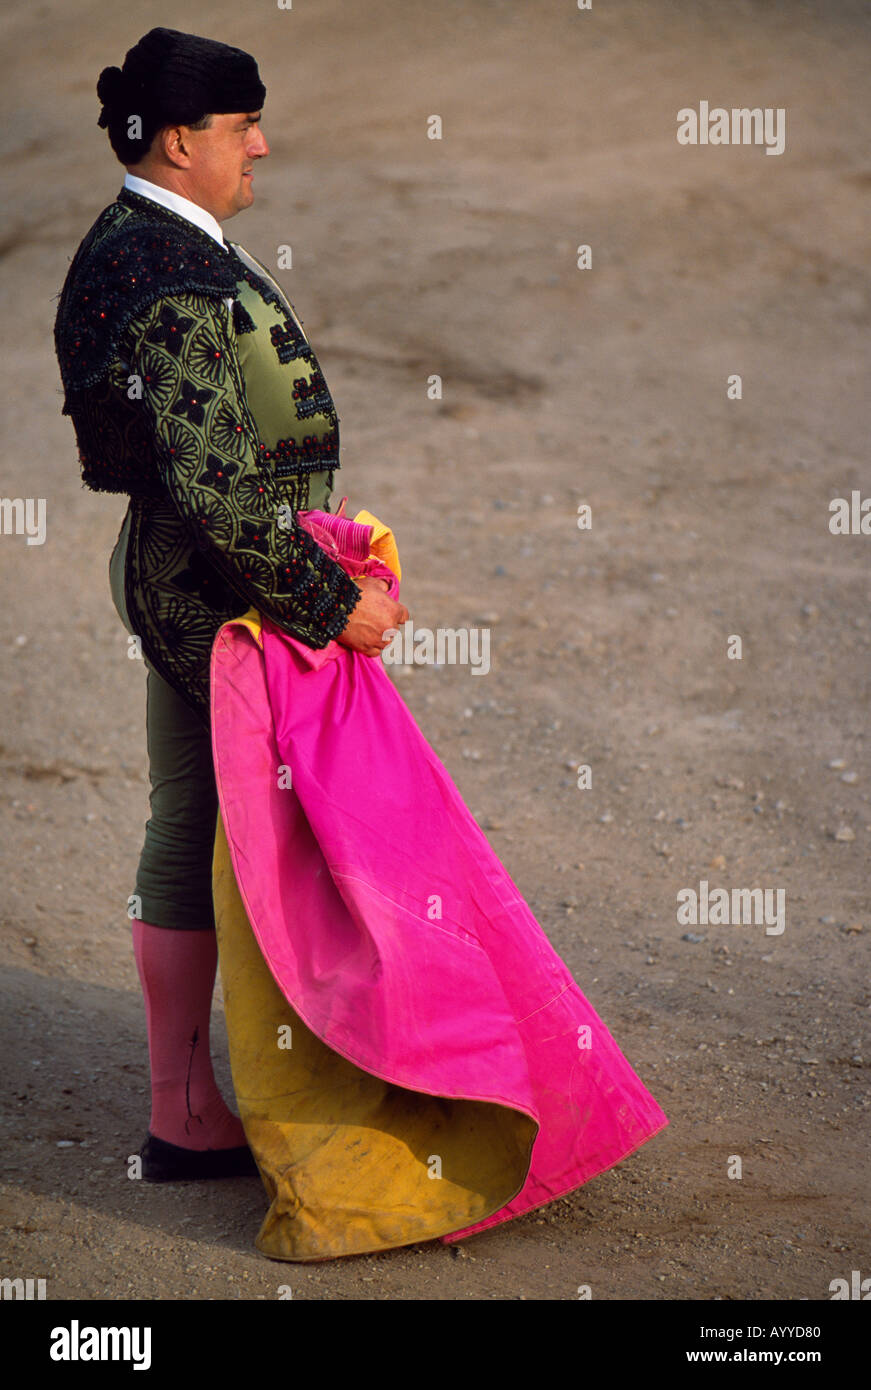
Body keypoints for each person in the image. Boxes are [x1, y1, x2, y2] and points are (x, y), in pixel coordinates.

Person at [54, 27, 408, 1181]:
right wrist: (326, 601)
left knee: (195, 817)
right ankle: (211, 1103)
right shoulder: (164, 275)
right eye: (237, 127)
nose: (261, 145)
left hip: (195, 572)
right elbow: (216, 489)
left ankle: (192, 1102)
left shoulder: (152, 241)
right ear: (173, 142)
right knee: (239, 830)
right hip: (212, 593)